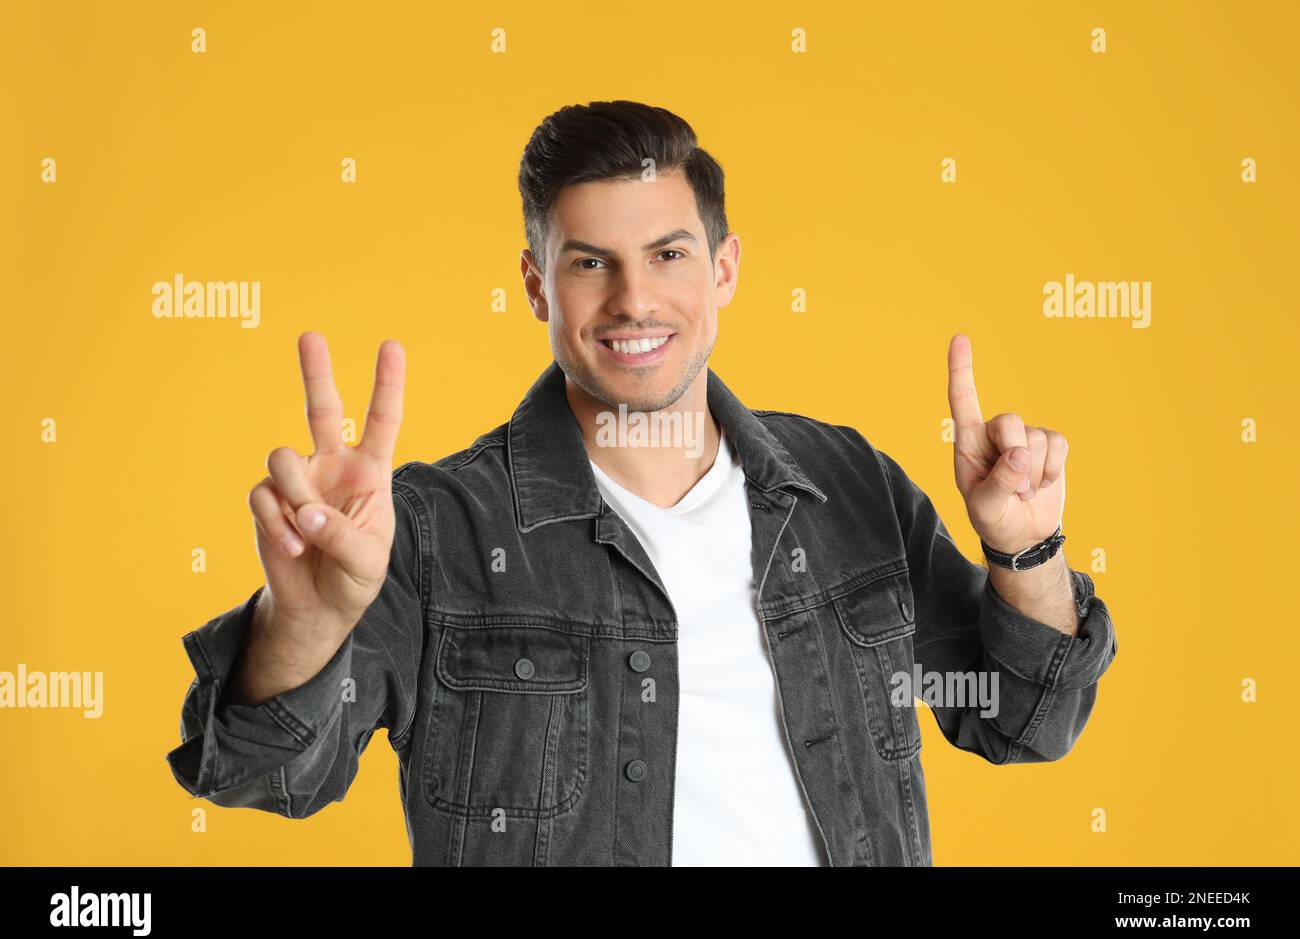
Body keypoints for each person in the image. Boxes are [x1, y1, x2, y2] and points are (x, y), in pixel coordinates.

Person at [166, 100, 1117, 866]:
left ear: (726, 268)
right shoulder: (426, 529)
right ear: (537, 286)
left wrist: (1024, 551)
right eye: (590, 264)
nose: (634, 301)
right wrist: (303, 624)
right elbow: (260, 776)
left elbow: (1026, 720)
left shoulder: (848, 483)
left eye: (669, 254)